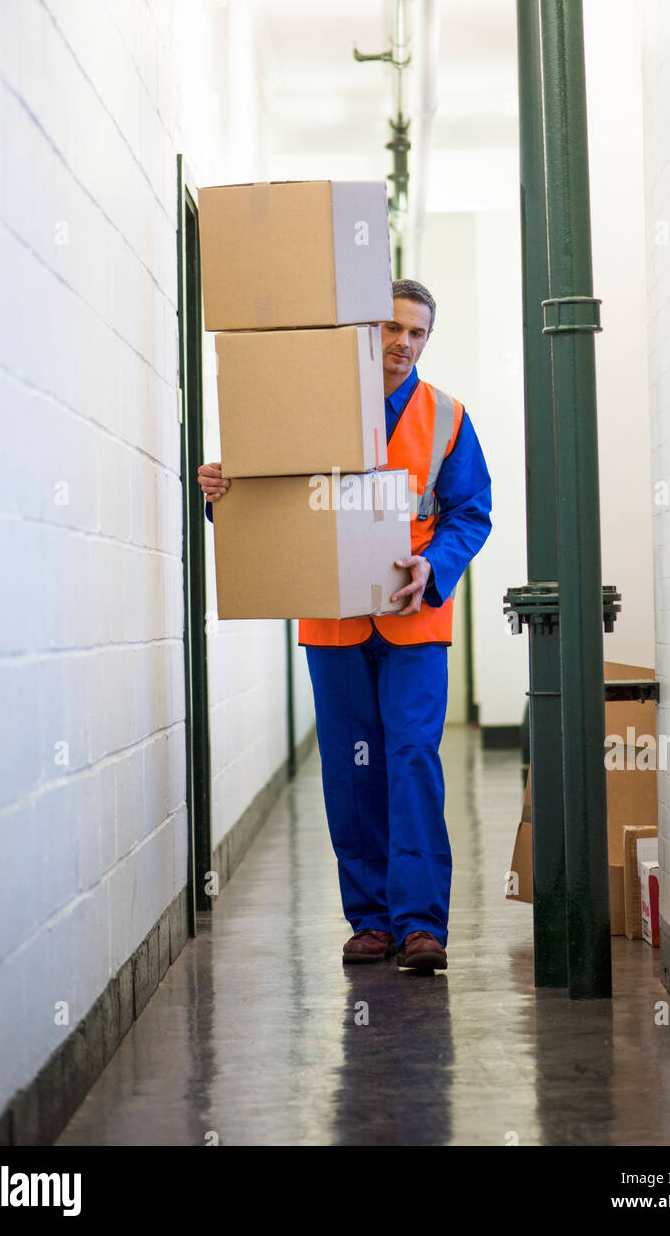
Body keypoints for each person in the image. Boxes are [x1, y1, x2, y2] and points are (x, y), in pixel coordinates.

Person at [198, 278, 492, 973]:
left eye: (416, 332)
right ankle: (371, 921)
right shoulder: (311, 406)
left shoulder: (447, 416)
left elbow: (471, 511)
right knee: (351, 770)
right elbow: (267, 497)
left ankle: (421, 925)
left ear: (427, 340)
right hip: (332, 624)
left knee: (413, 760)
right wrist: (224, 494)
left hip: (414, 621)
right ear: (367, 332)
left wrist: (434, 567)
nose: (402, 342)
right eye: (391, 328)